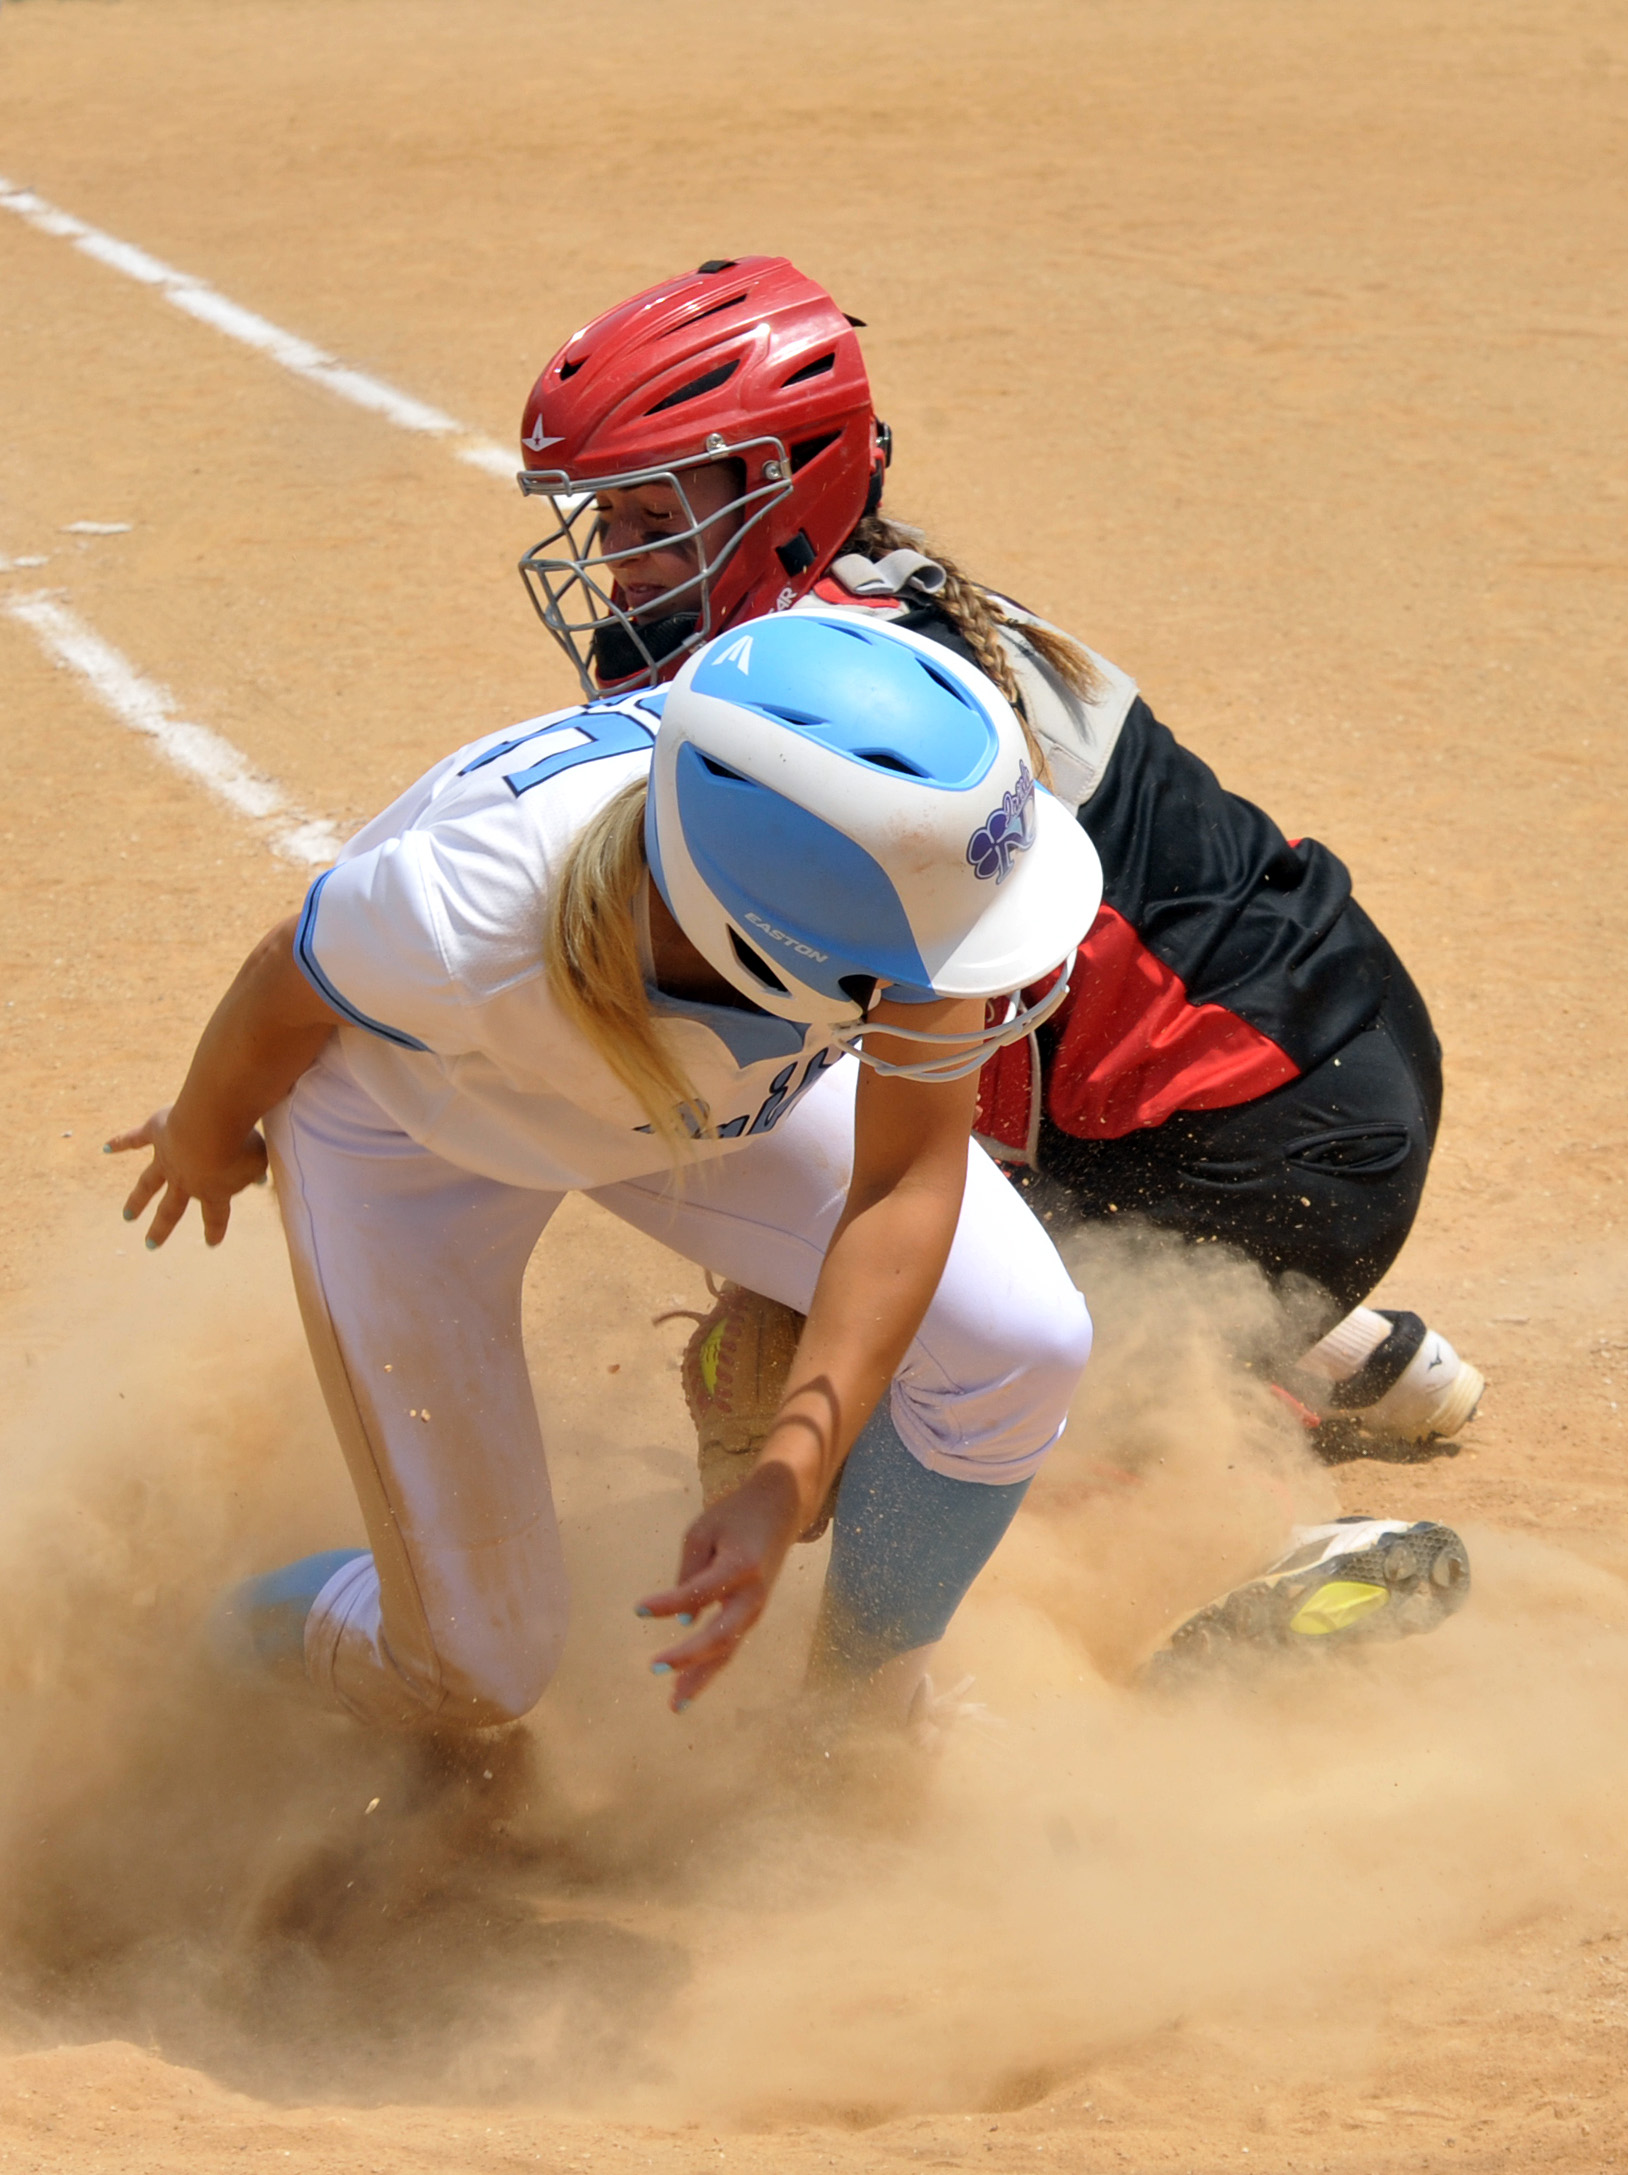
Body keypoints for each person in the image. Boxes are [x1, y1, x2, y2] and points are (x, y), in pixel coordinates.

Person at [512, 255, 1483, 1454]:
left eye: (661, 521)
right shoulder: (847, 613)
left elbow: (927, 1070)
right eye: (608, 516)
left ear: (783, 494)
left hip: (1272, 1140)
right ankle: (1313, 1342)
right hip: (1243, 1098)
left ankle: (1233, 1480)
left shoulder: (839, 714)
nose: (617, 559)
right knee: (862, 1277)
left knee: (882, 1405)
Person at [107, 613, 1098, 1733]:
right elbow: (287, 977)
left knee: (1017, 1346)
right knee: (474, 1668)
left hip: (703, 1087)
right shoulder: (475, 913)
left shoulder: (859, 873)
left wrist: (789, 1472)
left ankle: (851, 1730)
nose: (979, 956)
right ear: (769, 931)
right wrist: (202, 1135)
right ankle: (201, 1640)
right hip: (414, 1131)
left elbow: (902, 1183)